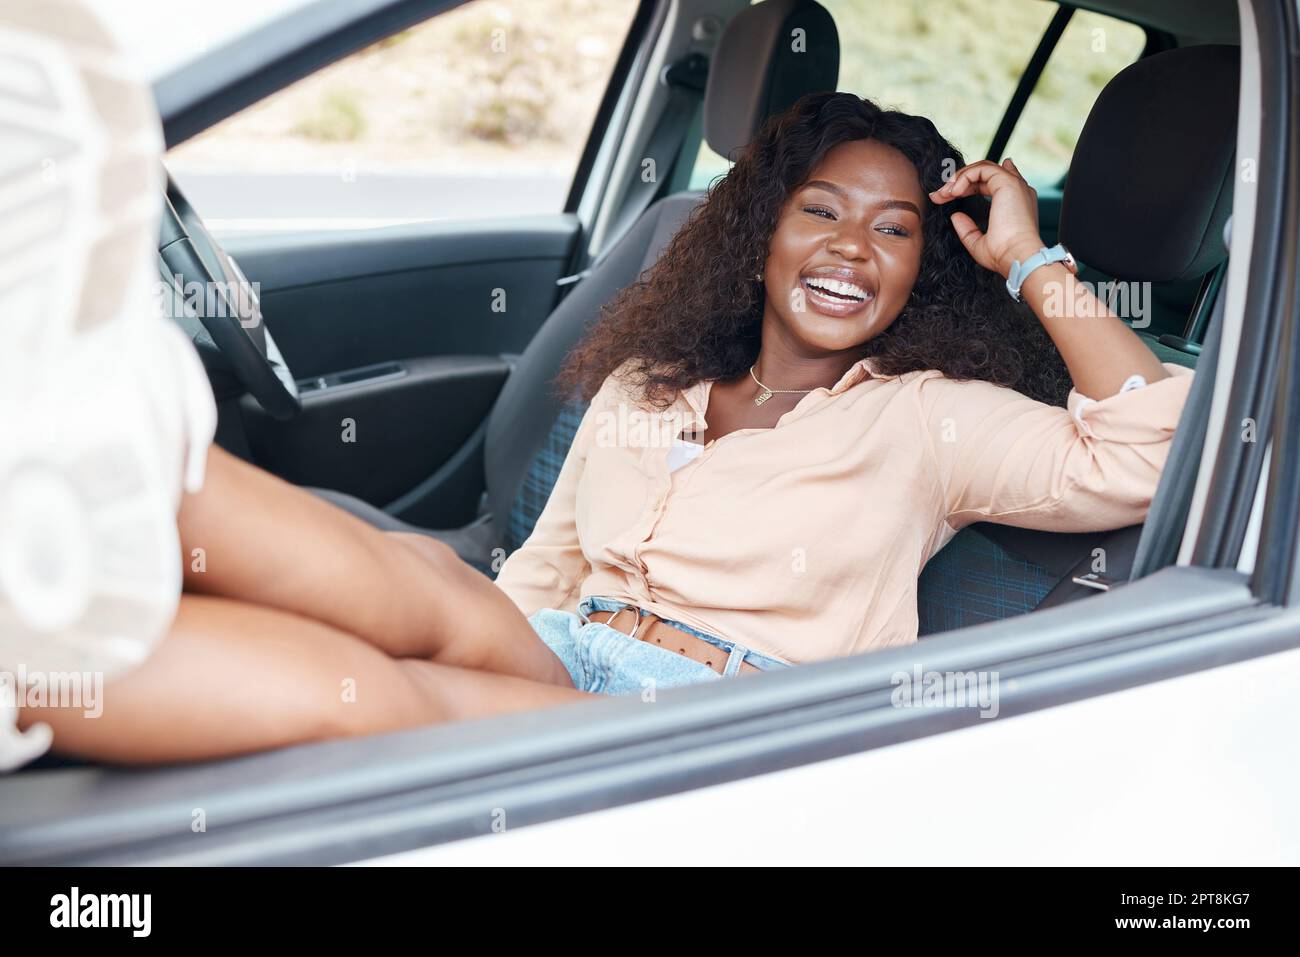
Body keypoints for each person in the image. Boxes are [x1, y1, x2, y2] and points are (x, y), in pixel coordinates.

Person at [7, 75, 1192, 763]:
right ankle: (67, 469)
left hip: (725, 726)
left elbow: (1145, 446)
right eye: (817, 211)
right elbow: (544, 571)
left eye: (891, 230)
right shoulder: (649, 382)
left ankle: (30, 679)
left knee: (376, 702)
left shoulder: (930, 420)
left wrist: (1030, 257)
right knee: (409, 581)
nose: (847, 247)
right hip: (571, 650)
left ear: (922, 268)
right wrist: (449, 626)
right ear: (758, 234)